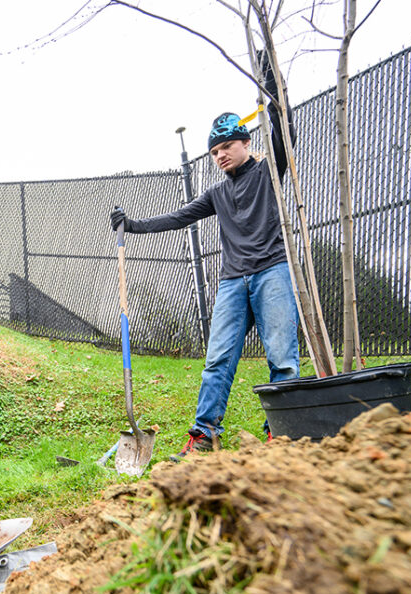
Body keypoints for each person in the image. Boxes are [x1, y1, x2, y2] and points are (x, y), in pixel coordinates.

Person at [110, 53, 299, 460]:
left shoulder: (268, 173)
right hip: (233, 282)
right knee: (217, 361)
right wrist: (133, 224)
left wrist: (273, 85)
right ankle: (204, 436)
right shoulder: (217, 193)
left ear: (246, 143)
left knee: (282, 358)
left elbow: (287, 134)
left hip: (273, 272)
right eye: (215, 152)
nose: (221, 156)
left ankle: (281, 435)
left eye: (228, 146)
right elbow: (178, 217)